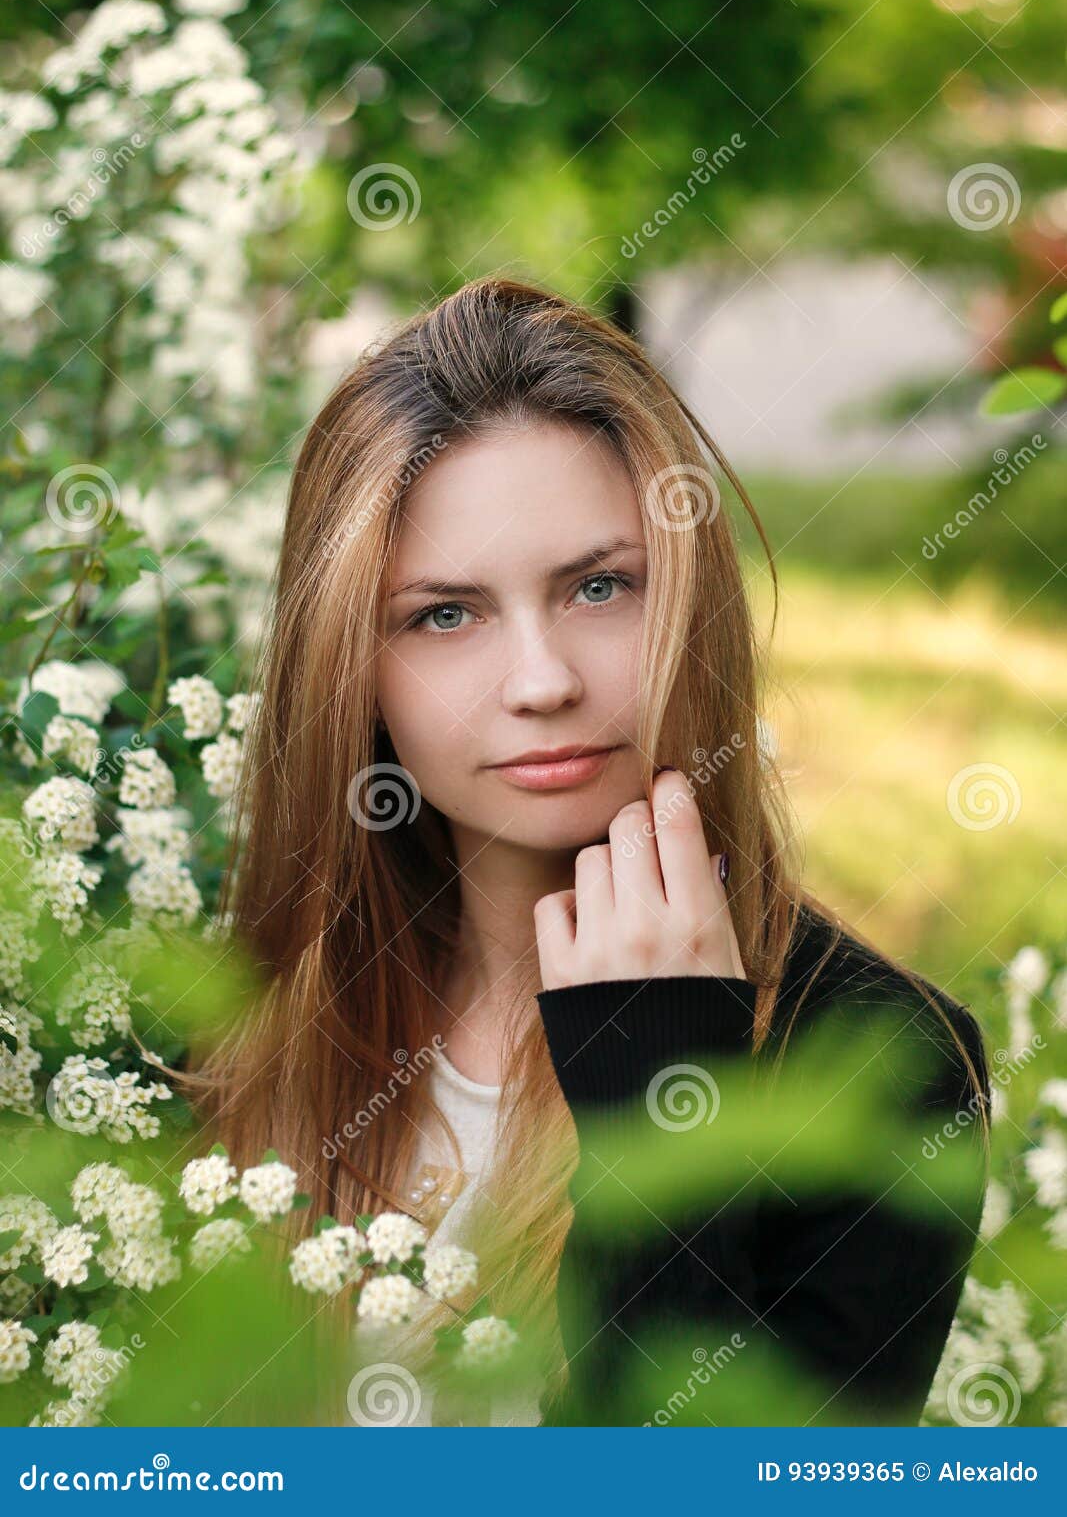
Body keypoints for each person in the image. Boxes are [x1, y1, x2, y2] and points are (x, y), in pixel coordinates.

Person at [172, 276, 990, 1427]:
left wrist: (662, 1094)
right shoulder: (228, 1011)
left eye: (600, 587)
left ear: (688, 599)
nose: (543, 680)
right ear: (351, 665)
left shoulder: (875, 1066)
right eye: (443, 615)